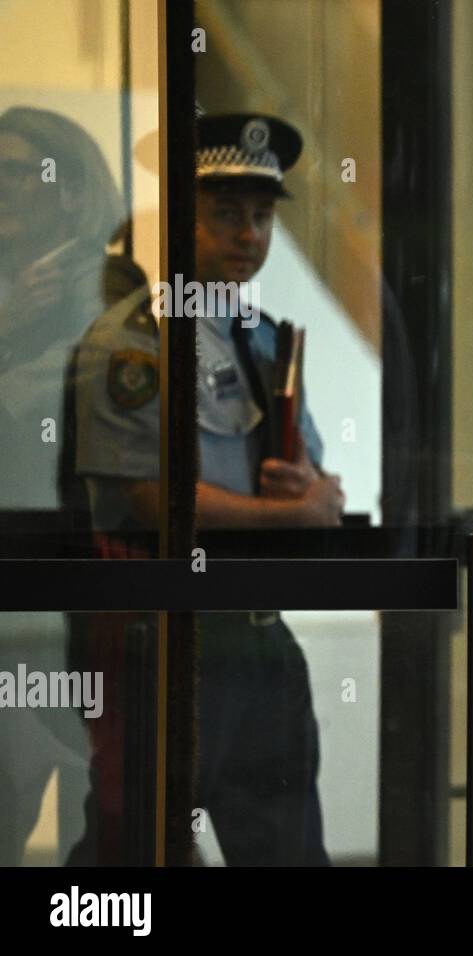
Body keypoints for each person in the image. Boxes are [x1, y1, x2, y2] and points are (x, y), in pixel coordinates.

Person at [68, 112, 343, 865]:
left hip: (257, 632)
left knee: (286, 849)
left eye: (260, 216)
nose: (248, 235)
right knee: (138, 846)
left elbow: (313, 479)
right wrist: (297, 513)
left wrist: (319, 494)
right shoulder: (134, 342)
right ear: (178, 217)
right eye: (224, 214)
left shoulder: (265, 338)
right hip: (164, 636)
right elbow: (147, 498)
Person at [0, 106, 123, 864]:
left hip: (70, 606)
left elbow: (40, 406)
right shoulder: (19, 296)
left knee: (99, 817)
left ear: (71, 189)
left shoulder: (104, 294)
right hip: (23, 603)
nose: (1, 191)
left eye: (17, 174)